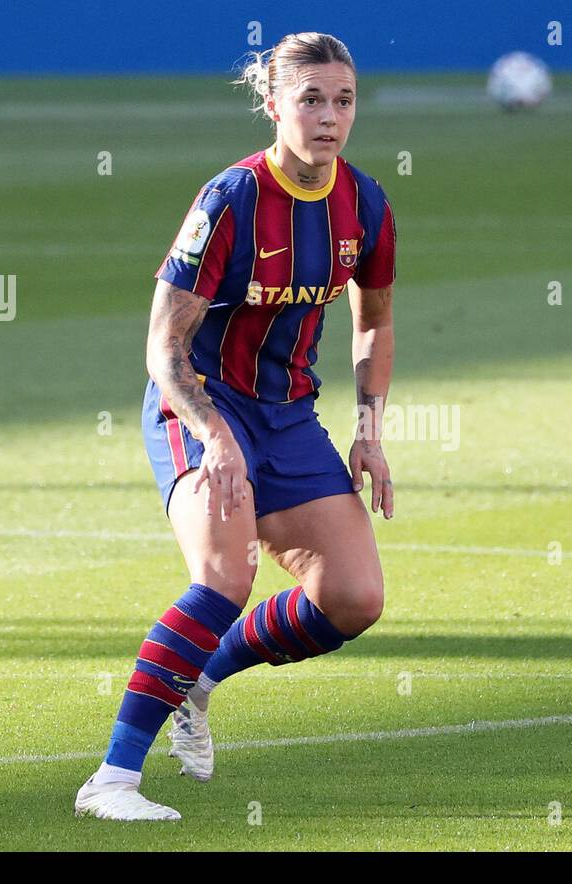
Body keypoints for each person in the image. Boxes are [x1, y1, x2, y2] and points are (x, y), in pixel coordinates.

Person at [76, 31, 397, 821]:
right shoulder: (231, 200)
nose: (329, 117)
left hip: (287, 414)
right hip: (202, 402)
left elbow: (374, 324)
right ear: (274, 103)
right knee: (225, 575)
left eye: (343, 100)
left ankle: (203, 675)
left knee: (355, 596)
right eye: (311, 99)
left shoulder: (366, 204)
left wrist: (368, 430)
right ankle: (112, 780)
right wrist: (213, 433)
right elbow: (162, 345)